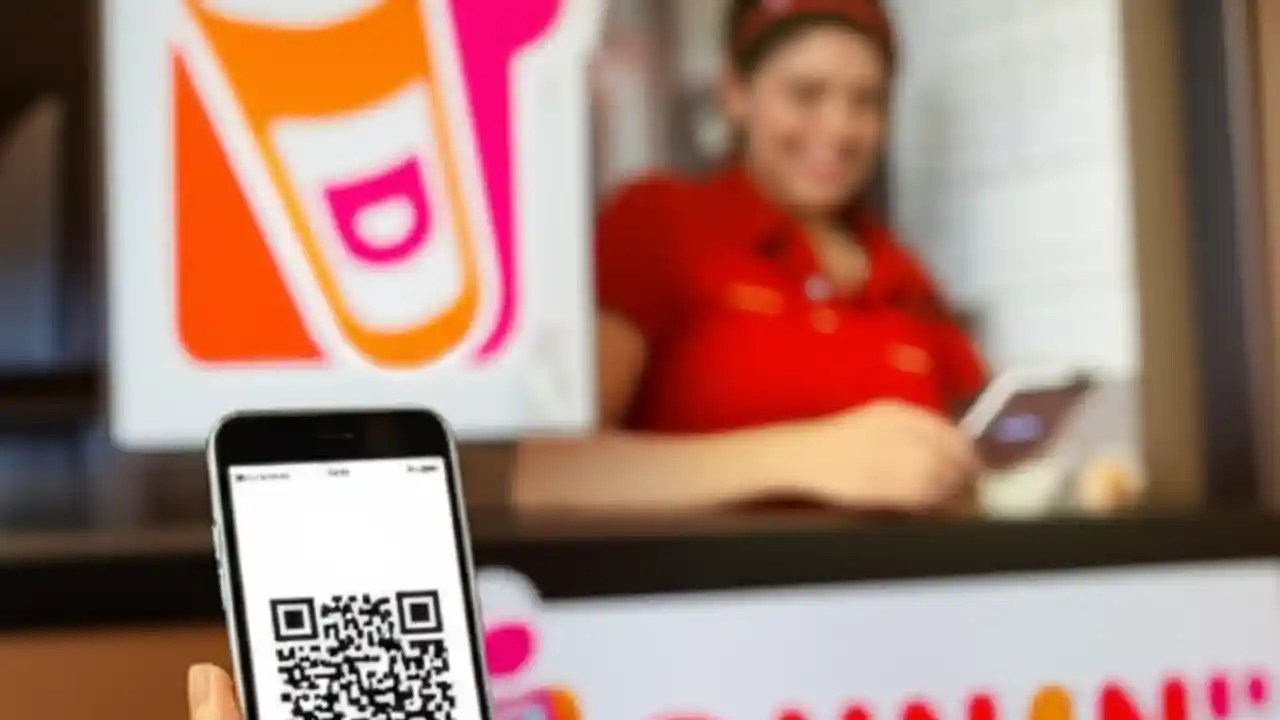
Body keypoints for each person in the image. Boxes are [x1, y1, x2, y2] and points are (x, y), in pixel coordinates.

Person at [515, 0, 987, 514]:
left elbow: (985, 448)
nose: (839, 128)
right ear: (735, 94)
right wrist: (813, 460)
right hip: (710, 591)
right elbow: (543, 472)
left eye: (865, 101)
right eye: (806, 94)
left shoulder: (902, 271)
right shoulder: (660, 223)